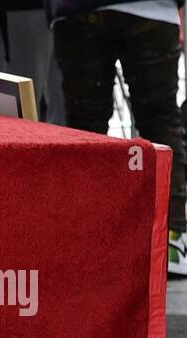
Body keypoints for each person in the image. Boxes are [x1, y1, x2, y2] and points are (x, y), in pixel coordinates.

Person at [45, 0, 187, 272]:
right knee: (161, 120)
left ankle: (86, 240)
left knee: (85, 129)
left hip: (78, 11)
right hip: (152, 8)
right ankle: (173, 242)